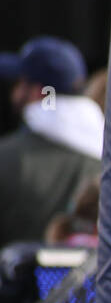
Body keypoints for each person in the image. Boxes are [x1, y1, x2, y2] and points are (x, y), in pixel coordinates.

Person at [0, 37, 103, 247]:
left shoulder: (8, 157)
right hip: (89, 279)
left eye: (20, 83)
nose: (15, 93)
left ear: (39, 91)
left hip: (19, 278)